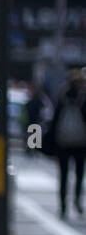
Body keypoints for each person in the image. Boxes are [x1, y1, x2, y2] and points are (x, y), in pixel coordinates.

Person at [48, 69, 86, 218]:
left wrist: (49, 143)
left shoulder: (62, 97)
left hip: (63, 142)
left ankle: (63, 205)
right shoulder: (83, 98)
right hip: (80, 142)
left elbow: (54, 121)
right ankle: (77, 201)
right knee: (79, 174)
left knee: (63, 175)